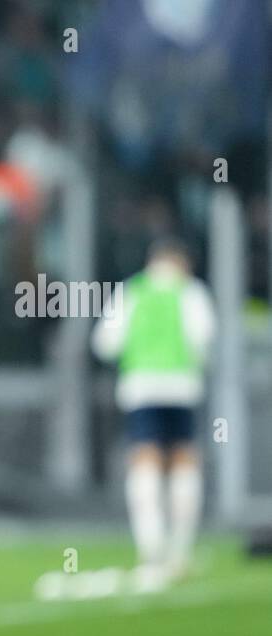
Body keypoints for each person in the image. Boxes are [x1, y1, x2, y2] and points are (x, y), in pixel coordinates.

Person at [92, 237, 215, 588]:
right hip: (182, 386)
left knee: (144, 459)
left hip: (141, 386)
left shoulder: (133, 291)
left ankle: (151, 548)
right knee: (183, 459)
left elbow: (105, 342)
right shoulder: (192, 292)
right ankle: (179, 550)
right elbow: (203, 338)